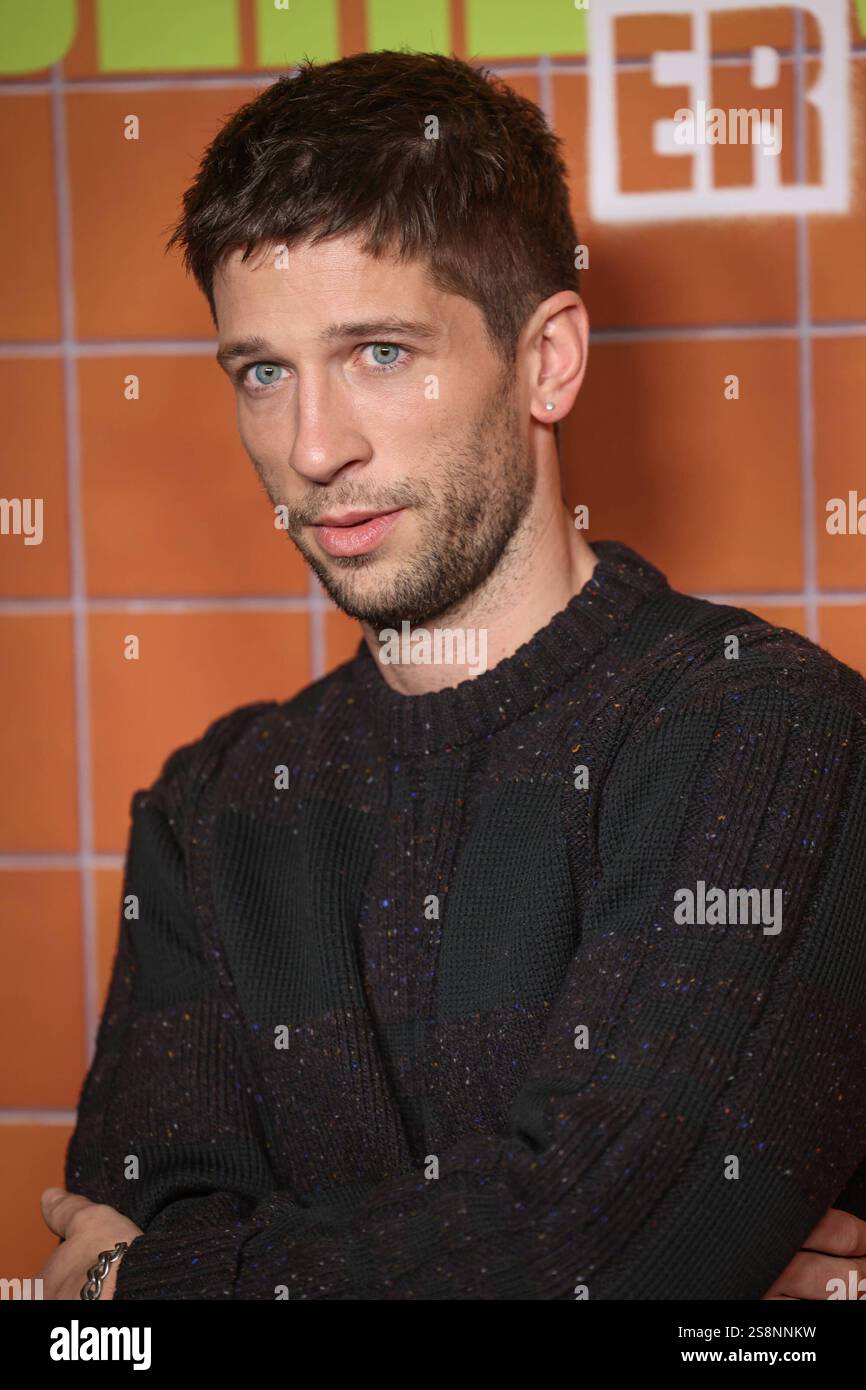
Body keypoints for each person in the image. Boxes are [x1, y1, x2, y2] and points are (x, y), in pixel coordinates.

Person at [42, 50, 866, 1300]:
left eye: (378, 351)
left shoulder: (766, 732)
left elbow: (592, 1252)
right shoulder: (211, 806)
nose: (312, 448)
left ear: (544, 361)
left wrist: (149, 1283)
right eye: (263, 371)